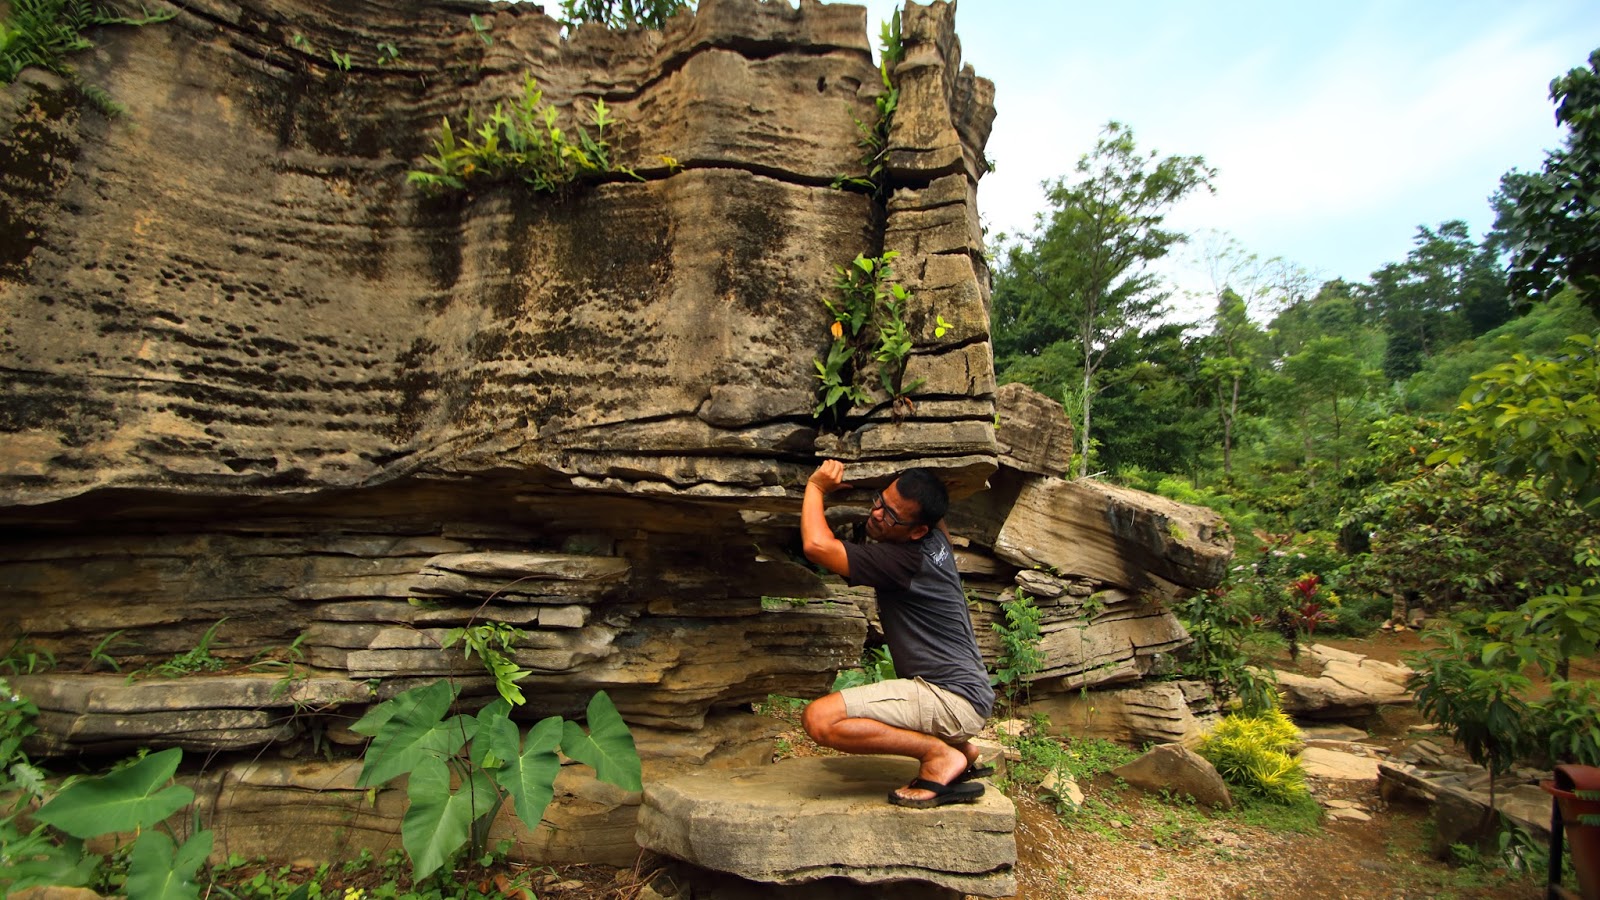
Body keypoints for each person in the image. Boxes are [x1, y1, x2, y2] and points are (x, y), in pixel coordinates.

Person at [798, 460, 996, 808]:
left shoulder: (903, 561)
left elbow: (816, 546)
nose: (876, 515)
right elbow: (932, 512)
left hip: (949, 697)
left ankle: (939, 755)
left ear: (917, 530)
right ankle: (961, 749)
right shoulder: (936, 539)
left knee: (820, 719)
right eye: (880, 501)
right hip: (967, 694)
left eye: (891, 516)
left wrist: (815, 487)